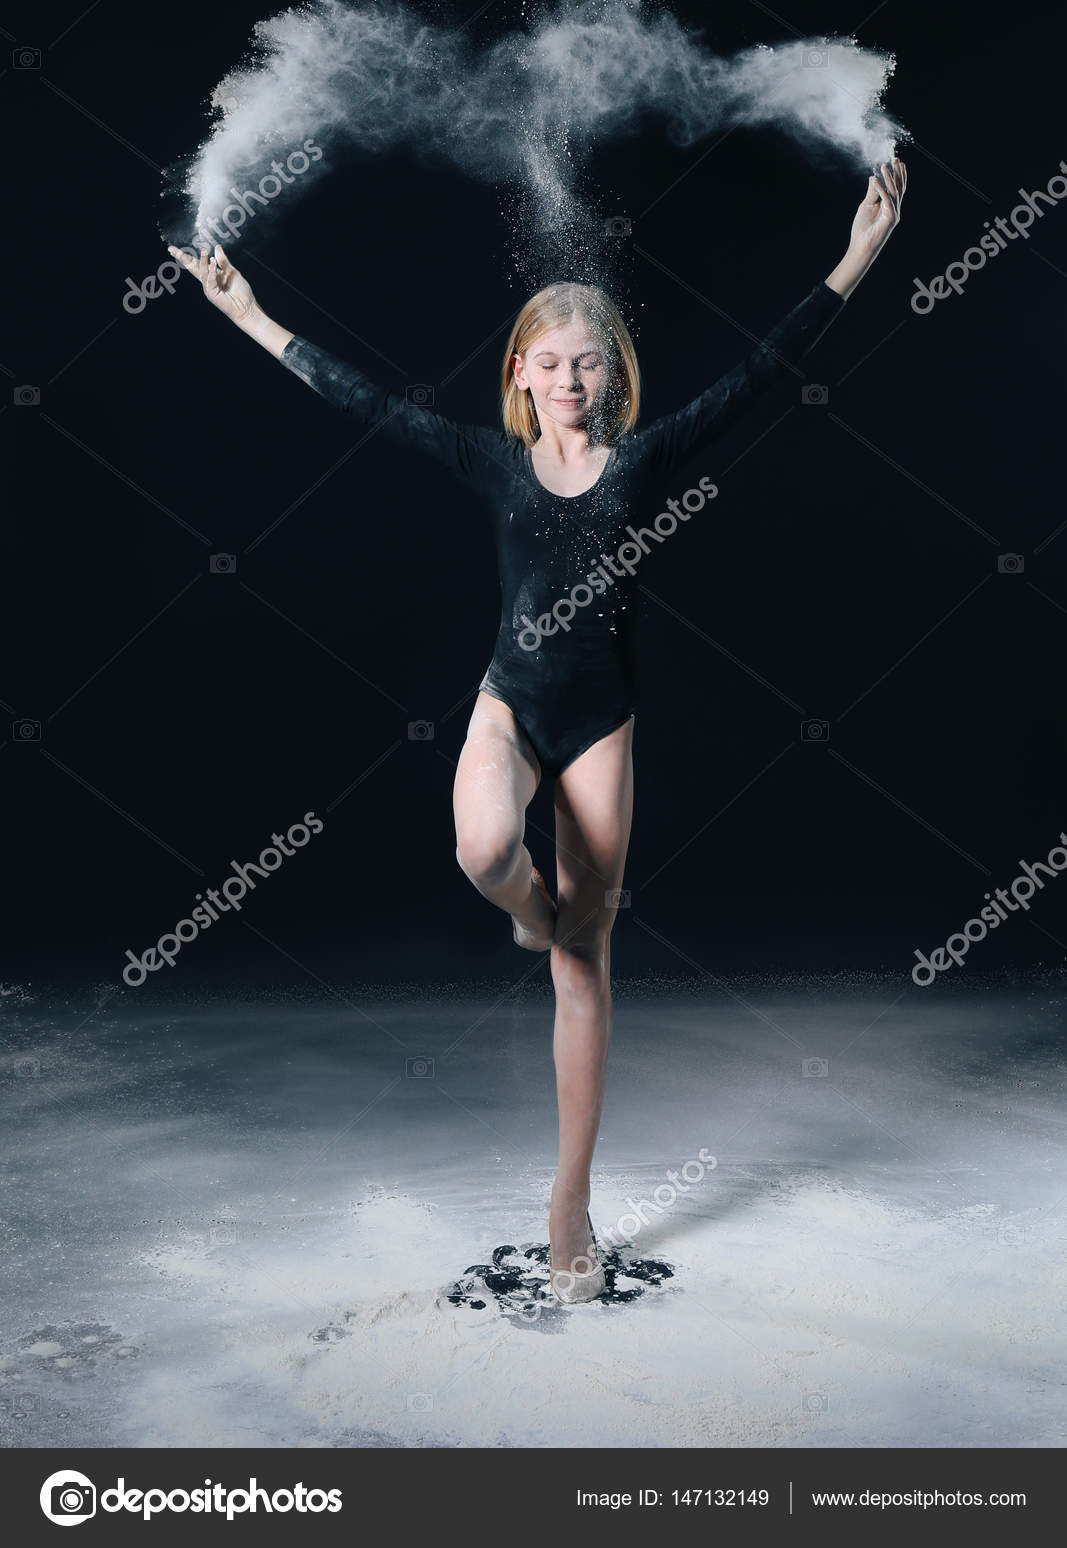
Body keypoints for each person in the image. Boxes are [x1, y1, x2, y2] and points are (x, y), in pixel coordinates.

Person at [169, 154, 905, 1302]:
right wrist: (250, 313)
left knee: (583, 960)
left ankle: (568, 1200)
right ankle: (526, 917)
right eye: (549, 360)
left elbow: (765, 374)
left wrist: (857, 251)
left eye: (588, 361)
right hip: (509, 698)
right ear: (520, 371)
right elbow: (365, 399)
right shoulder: (490, 457)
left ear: (613, 377)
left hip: (601, 717)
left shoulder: (647, 456)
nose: (568, 376)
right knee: (483, 852)